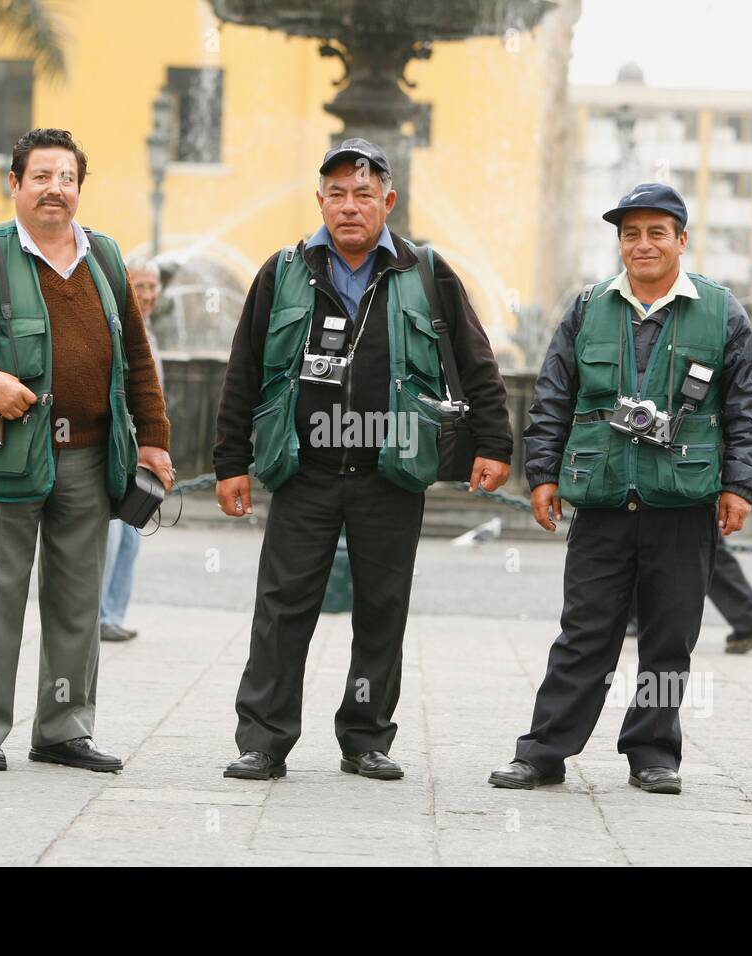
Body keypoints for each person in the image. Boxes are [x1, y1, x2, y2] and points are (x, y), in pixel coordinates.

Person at [213, 138, 513, 781]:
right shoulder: (283, 270)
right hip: (304, 468)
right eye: (337, 194)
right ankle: (263, 740)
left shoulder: (428, 272)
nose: (350, 206)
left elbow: (475, 361)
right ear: (320, 200)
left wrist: (495, 443)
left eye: (364, 194)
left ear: (389, 202)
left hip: (392, 469)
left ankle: (365, 736)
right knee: (281, 609)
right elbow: (243, 370)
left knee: (382, 608)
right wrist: (229, 460)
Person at [0, 128, 172, 773]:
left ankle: (62, 730)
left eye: (68, 178)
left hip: (87, 456)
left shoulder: (105, 258)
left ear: (80, 187)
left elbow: (136, 357)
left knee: (79, 598)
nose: (56, 189)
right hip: (6, 457)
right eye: (42, 177)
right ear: (16, 184)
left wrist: (156, 440)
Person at [489, 182, 752, 796]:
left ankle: (653, 752)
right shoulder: (589, 307)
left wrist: (740, 485)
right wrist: (542, 475)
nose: (642, 244)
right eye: (630, 233)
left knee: (670, 638)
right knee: (584, 633)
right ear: (619, 242)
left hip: (683, 502)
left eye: (655, 232)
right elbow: (552, 398)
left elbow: (747, 406)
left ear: (681, 241)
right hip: (604, 500)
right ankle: (543, 752)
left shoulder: (721, 312)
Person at [100, 256, 164, 642]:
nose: (147, 295)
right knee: (109, 535)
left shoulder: (149, 332)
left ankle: (111, 613)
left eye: (152, 287)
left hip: (141, 447)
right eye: (139, 286)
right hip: (120, 446)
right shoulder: (117, 326)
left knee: (130, 535)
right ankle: (94, 615)